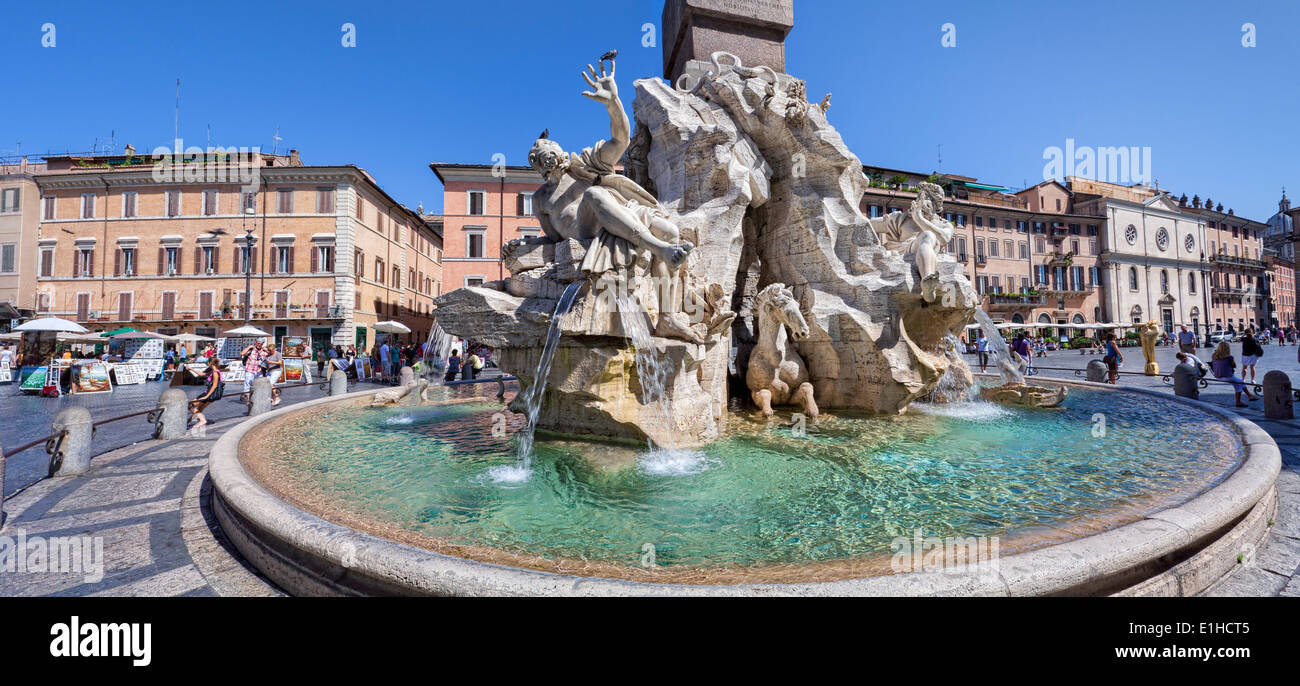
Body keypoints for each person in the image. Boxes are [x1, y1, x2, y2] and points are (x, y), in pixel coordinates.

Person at [1212, 340, 1257, 407]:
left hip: (1217, 375)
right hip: (1227, 376)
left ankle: (1249, 396)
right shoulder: (1229, 357)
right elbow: (1234, 366)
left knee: (1238, 382)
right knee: (1240, 383)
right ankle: (1239, 401)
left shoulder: (1214, 355)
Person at [190, 358, 224, 429]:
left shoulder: (214, 372)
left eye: (207, 362)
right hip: (212, 395)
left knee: (190, 405)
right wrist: (191, 369)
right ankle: (191, 421)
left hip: (209, 394)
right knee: (200, 409)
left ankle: (202, 420)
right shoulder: (214, 371)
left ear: (210, 363)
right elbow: (202, 374)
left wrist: (206, 396)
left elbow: (214, 385)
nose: (206, 363)